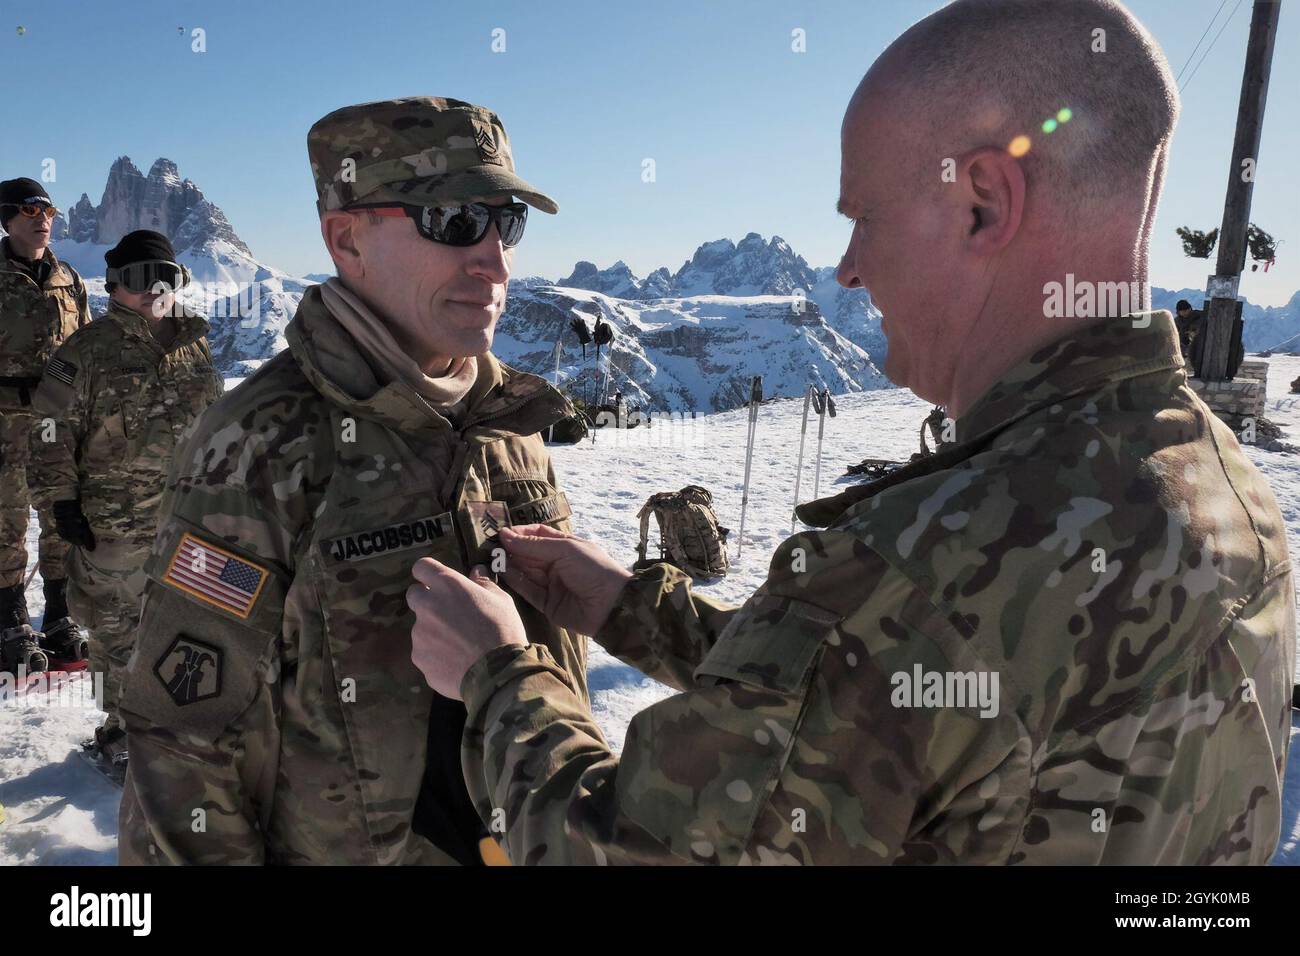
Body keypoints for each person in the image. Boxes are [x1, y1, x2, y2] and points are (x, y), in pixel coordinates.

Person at [408, 0, 1295, 865]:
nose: (849, 267)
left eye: (862, 216)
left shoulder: (922, 568)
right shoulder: (1225, 485)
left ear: (982, 202)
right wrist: (634, 608)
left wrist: (497, 677)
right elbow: (880, 713)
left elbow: (629, 847)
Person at [116, 97, 586, 866]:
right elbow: (182, 744)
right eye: (457, 220)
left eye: (506, 221)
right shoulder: (260, 444)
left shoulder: (509, 424)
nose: (497, 262)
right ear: (346, 240)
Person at [29, 230, 223, 762]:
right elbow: (48, 430)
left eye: (168, 276)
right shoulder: (85, 352)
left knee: (184, 625)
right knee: (117, 633)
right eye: (141, 278)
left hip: (187, 518)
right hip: (112, 525)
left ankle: (172, 721)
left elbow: (217, 426)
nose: (156, 289)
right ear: (115, 285)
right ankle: (118, 732)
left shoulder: (194, 345)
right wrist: (61, 503)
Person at [0, 177, 91, 672]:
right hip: (5, 425)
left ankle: (59, 614)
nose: (44, 221)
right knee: (6, 522)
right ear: (8, 219)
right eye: (32, 214)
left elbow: (88, 348)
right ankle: (11, 619)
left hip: (59, 423)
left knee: (60, 516)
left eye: (49, 213)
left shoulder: (69, 279)